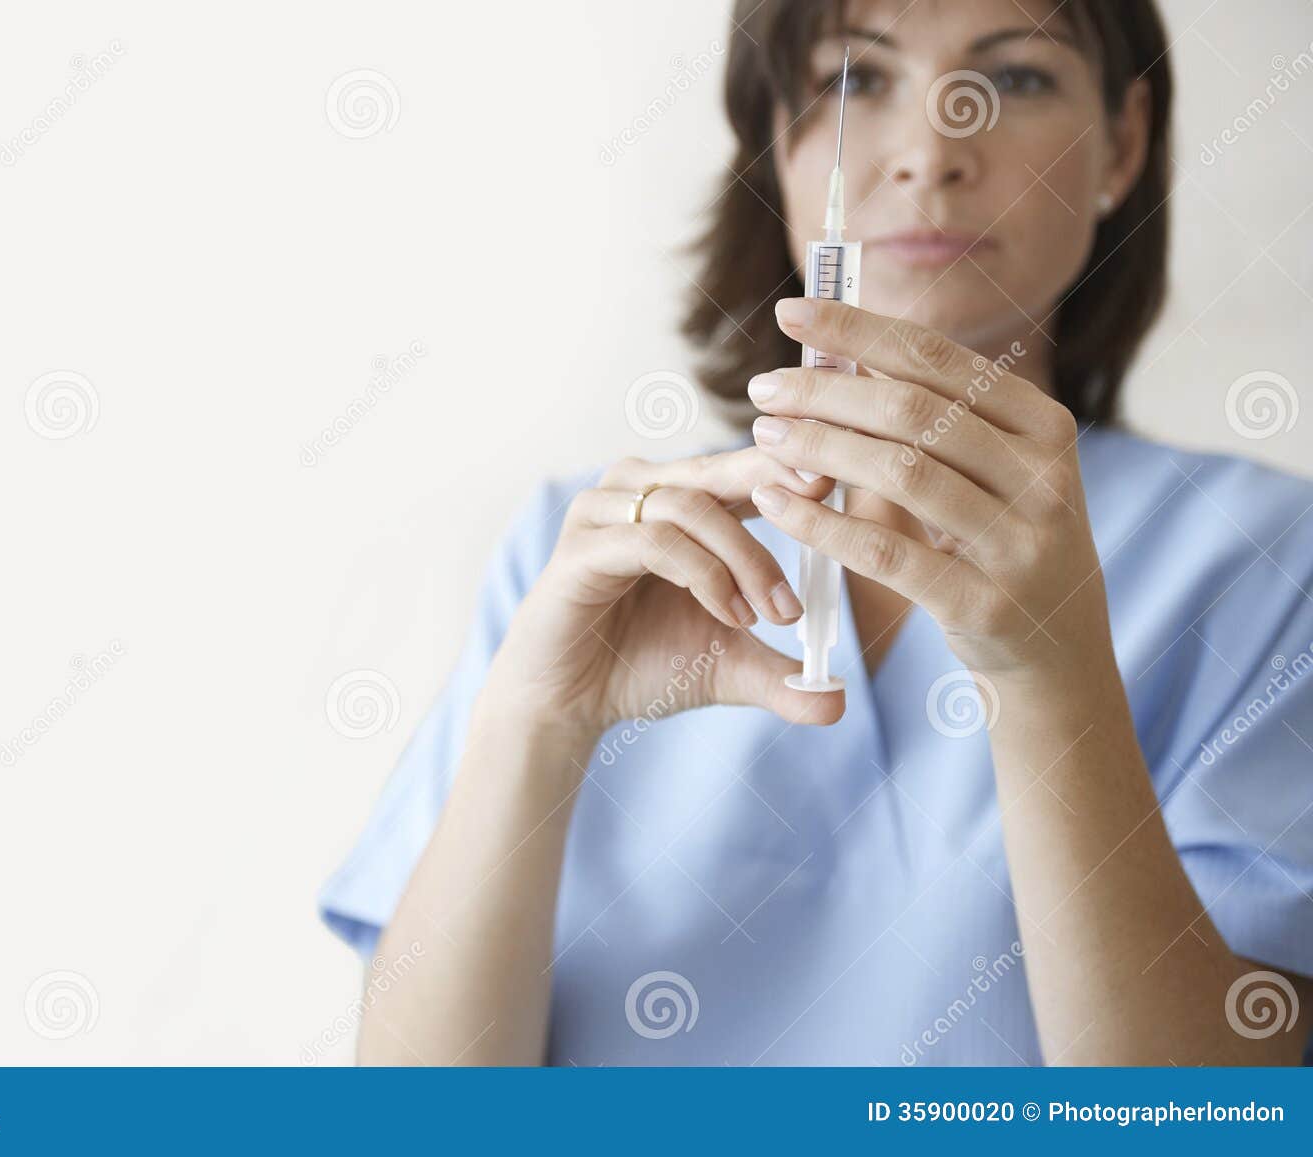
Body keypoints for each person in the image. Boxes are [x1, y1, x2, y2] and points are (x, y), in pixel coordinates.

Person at [319, 0, 1313, 1065]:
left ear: (1121, 143)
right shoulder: (586, 560)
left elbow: (1193, 1119)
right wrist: (537, 725)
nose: (931, 150)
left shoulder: (1263, 562)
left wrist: (1049, 682)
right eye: (855, 79)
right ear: (775, 148)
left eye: (1015, 78)